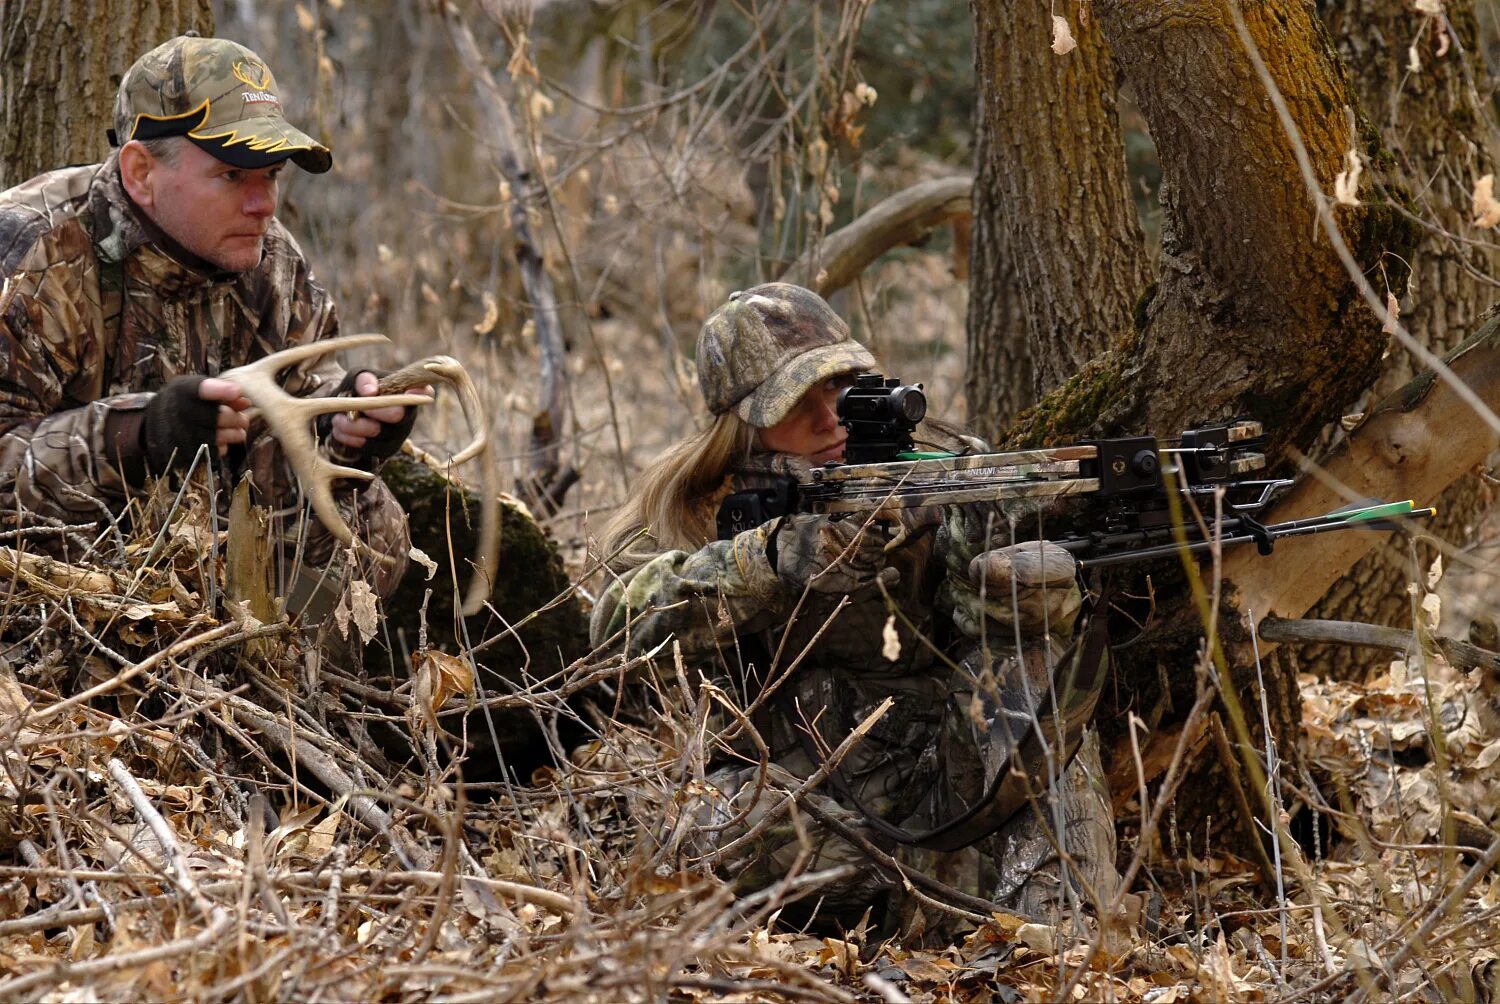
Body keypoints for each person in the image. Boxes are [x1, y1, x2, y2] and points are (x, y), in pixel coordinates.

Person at [592, 283, 1119, 935]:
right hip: (808, 815)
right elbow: (612, 628)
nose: (829, 416)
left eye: (841, 386)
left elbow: (999, 708)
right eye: (796, 399)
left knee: (1045, 679)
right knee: (710, 823)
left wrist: (1016, 610)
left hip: (951, 788)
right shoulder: (687, 513)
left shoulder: (944, 479)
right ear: (742, 422)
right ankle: (935, 902)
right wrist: (770, 561)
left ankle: (1060, 937)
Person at [0, 34, 425, 622]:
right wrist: (136, 435)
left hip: (204, 553)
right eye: (232, 175)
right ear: (142, 171)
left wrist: (348, 426)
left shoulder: (269, 259)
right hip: (61, 576)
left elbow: (304, 402)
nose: (263, 205)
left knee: (369, 520)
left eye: (271, 175)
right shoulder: (32, 254)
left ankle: (278, 688)